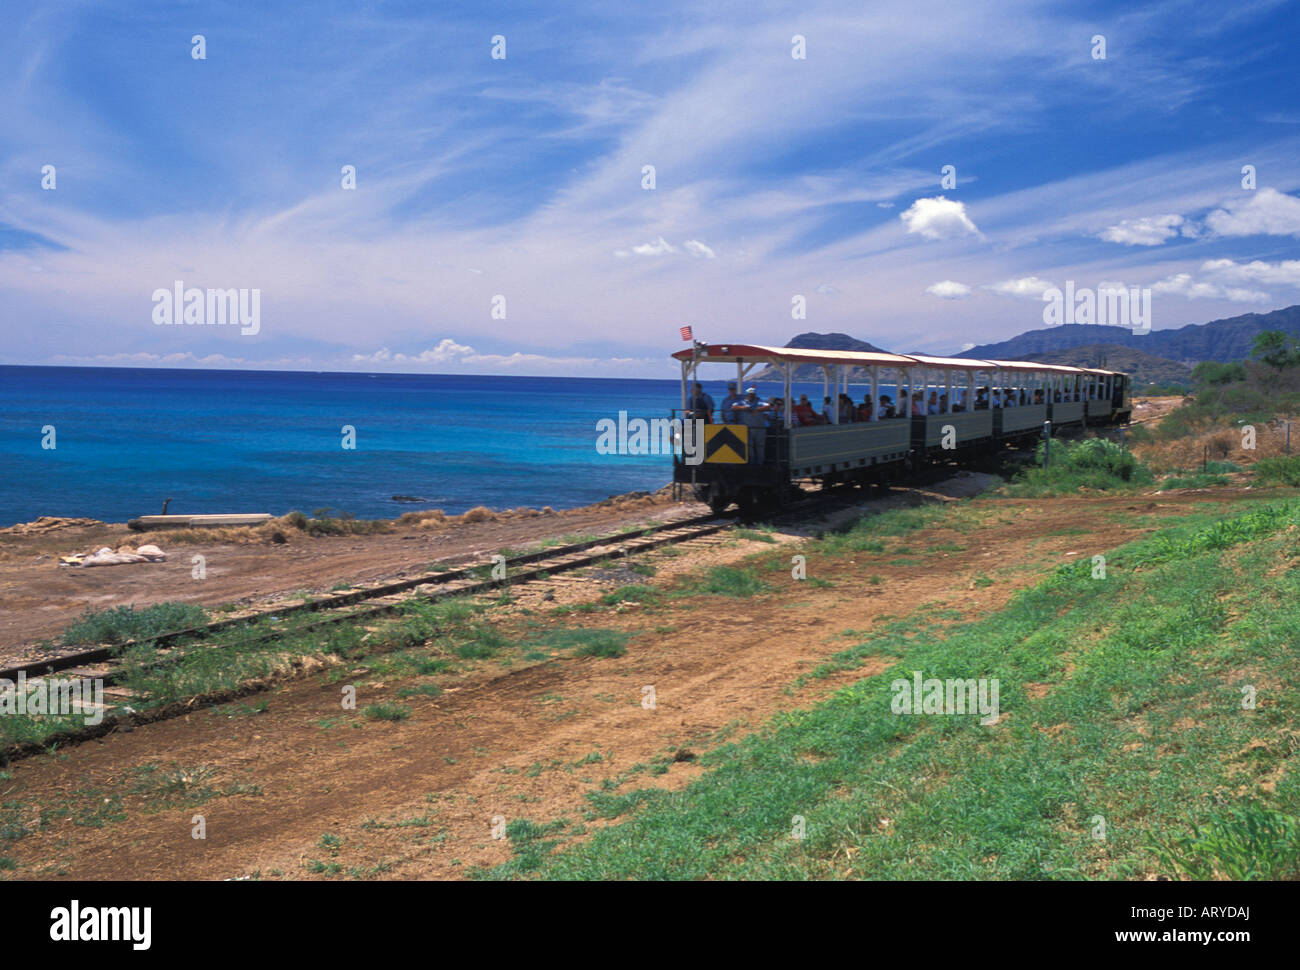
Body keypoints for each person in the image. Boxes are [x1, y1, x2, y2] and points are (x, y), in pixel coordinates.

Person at [734, 386, 772, 464]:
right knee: (749, 447)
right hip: (748, 429)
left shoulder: (759, 402)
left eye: (752, 394)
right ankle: (751, 464)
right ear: (747, 395)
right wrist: (744, 408)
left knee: (760, 447)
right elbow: (734, 407)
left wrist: (757, 410)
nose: (751, 396)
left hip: (760, 429)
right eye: (749, 394)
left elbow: (768, 406)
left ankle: (760, 464)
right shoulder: (743, 402)